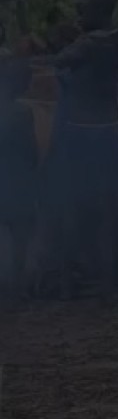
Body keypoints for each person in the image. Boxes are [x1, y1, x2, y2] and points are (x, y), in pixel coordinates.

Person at [45, 0, 118, 298]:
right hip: (109, 126)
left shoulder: (86, 45)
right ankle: (117, 276)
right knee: (112, 205)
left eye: (84, 14)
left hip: (81, 131)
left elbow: (59, 60)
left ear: (97, 15)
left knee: (73, 200)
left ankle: (71, 281)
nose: (80, 20)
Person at [0, 54, 39, 303]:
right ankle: (17, 288)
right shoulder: (23, 112)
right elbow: (32, 151)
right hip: (18, 181)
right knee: (20, 236)